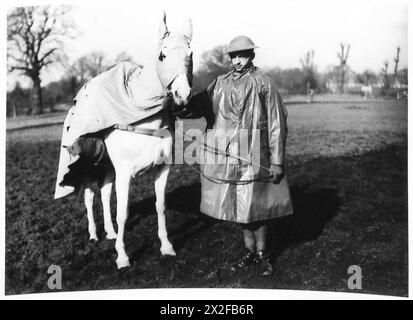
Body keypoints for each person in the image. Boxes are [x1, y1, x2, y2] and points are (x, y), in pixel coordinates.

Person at [173, 35, 293, 276]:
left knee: (256, 209)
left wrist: (277, 160)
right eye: (234, 56)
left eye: (242, 55)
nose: (237, 60)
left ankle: (262, 254)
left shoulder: (263, 83)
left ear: (251, 55)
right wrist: (181, 104)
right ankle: (249, 252)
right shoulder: (220, 83)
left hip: (254, 154)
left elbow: (277, 123)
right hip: (226, 156)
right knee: (239, 209)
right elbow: (199, 105)